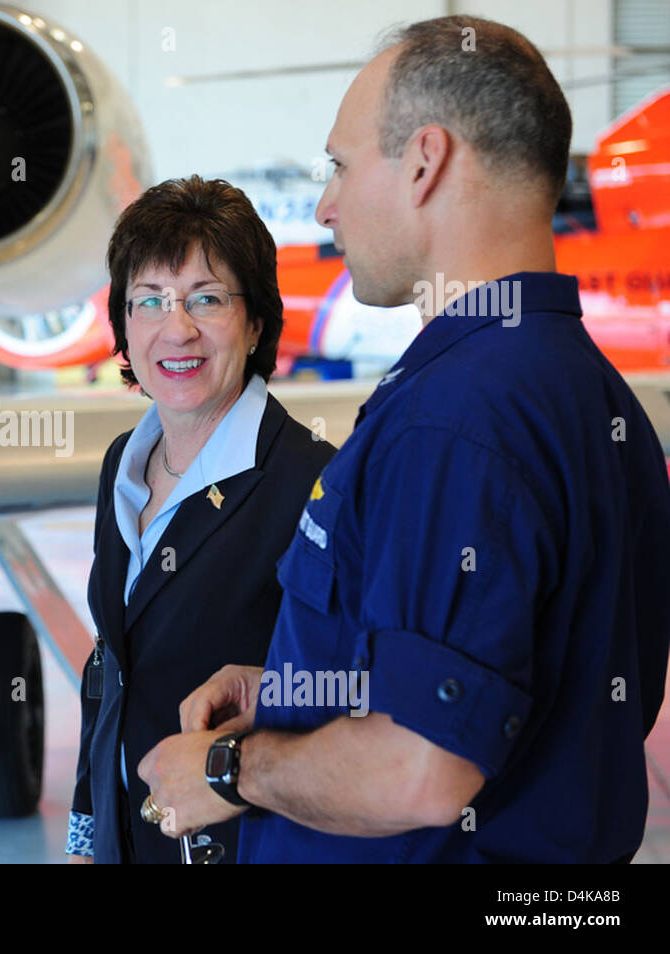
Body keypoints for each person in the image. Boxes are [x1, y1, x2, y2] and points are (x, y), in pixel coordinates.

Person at [138, 16, 670, 862]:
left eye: (342, 167)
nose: (326, 204)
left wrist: (230, 766)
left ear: (425, 162)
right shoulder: (592, 395)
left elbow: (424, 770)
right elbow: (549, 696)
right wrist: (293, 693)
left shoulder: (455, 419)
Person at [66, 176, 335, 863]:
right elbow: (110, 674)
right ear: (124, 326)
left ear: (255, 321)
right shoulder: (123, 465)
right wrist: (86, 835)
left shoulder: (314, 483)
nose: (175, 327)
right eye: (149, 300)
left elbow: (354, 690)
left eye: (206, 299)